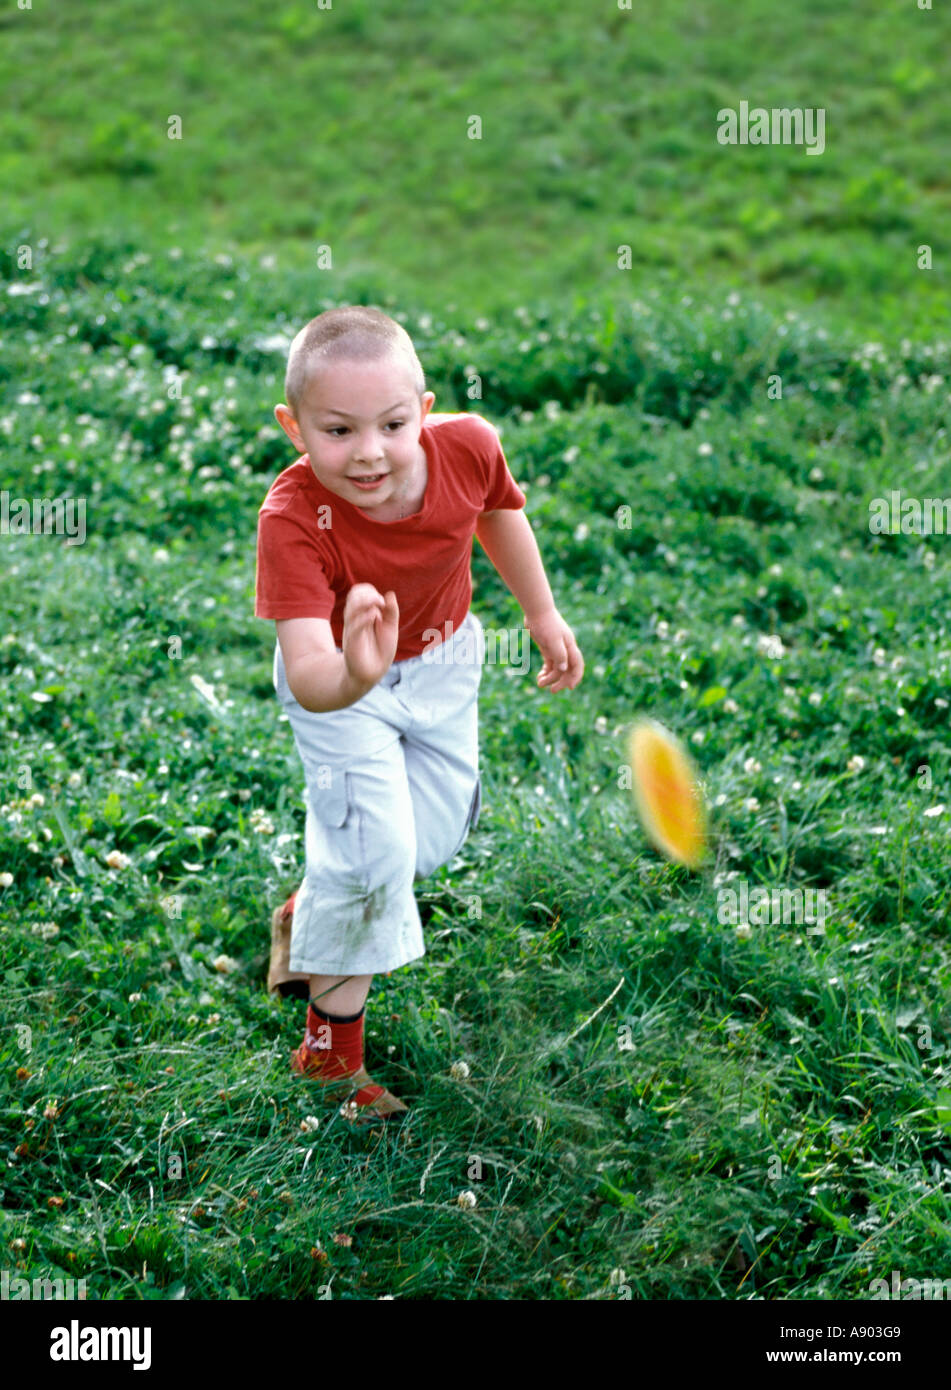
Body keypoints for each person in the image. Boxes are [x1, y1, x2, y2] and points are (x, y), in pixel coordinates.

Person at [254, 305, 584, 1124]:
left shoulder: (466, 446)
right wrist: (356, 673)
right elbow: (308, 670)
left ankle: (312, 913)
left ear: (425, 412)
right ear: (295, 428)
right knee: (374, 859)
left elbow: (497, 510)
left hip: (441, 665)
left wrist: (540, 614)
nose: (368, 451)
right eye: (337, 430)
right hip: (338, 685)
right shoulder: (292, 519)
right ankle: (328, 1057)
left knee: (425, 843)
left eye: (392, 424)